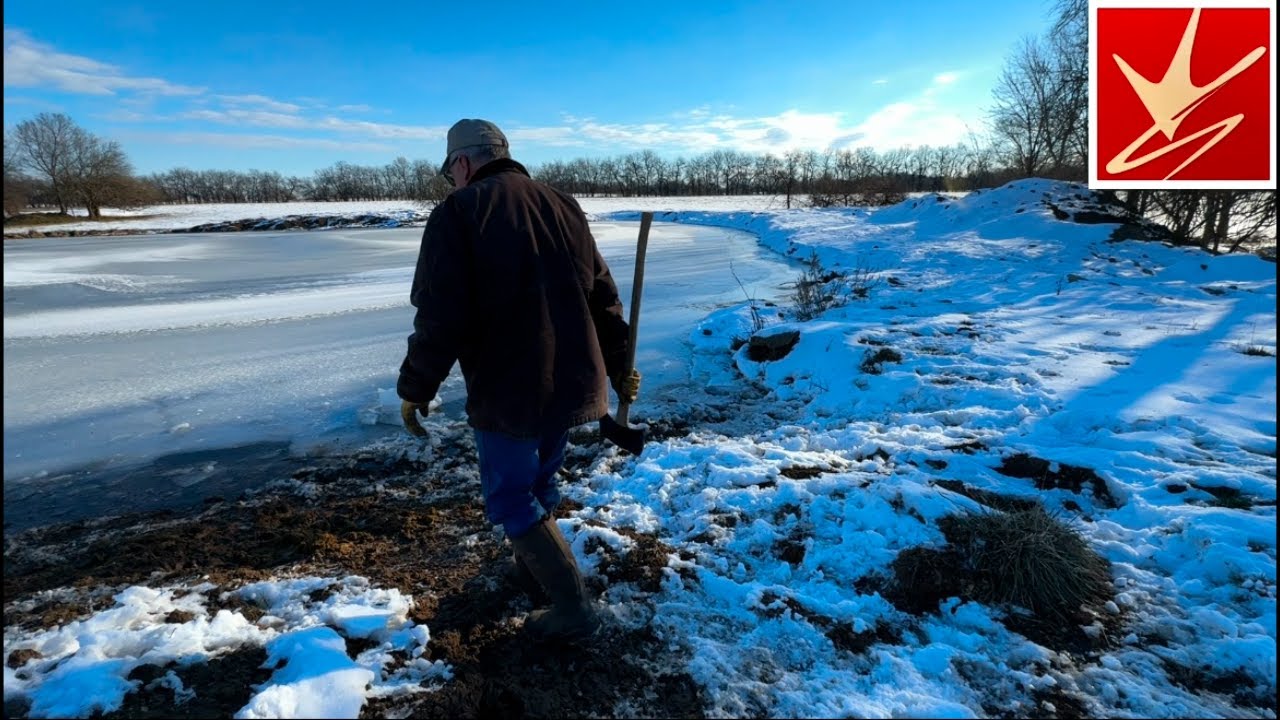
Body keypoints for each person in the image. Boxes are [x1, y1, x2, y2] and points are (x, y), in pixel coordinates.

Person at [397, 118, 641, 643]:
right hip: (574, 378)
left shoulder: (458, 213)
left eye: (449, 172)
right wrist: (618, 364)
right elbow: (602, 294)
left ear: (462, 163)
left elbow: (441, 314)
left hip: (510, 387)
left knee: (510, 498)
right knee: (539, 485)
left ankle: (573, 609)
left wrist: (416, 387)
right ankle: (535, 570)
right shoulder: (562, 203)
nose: (451, 182)